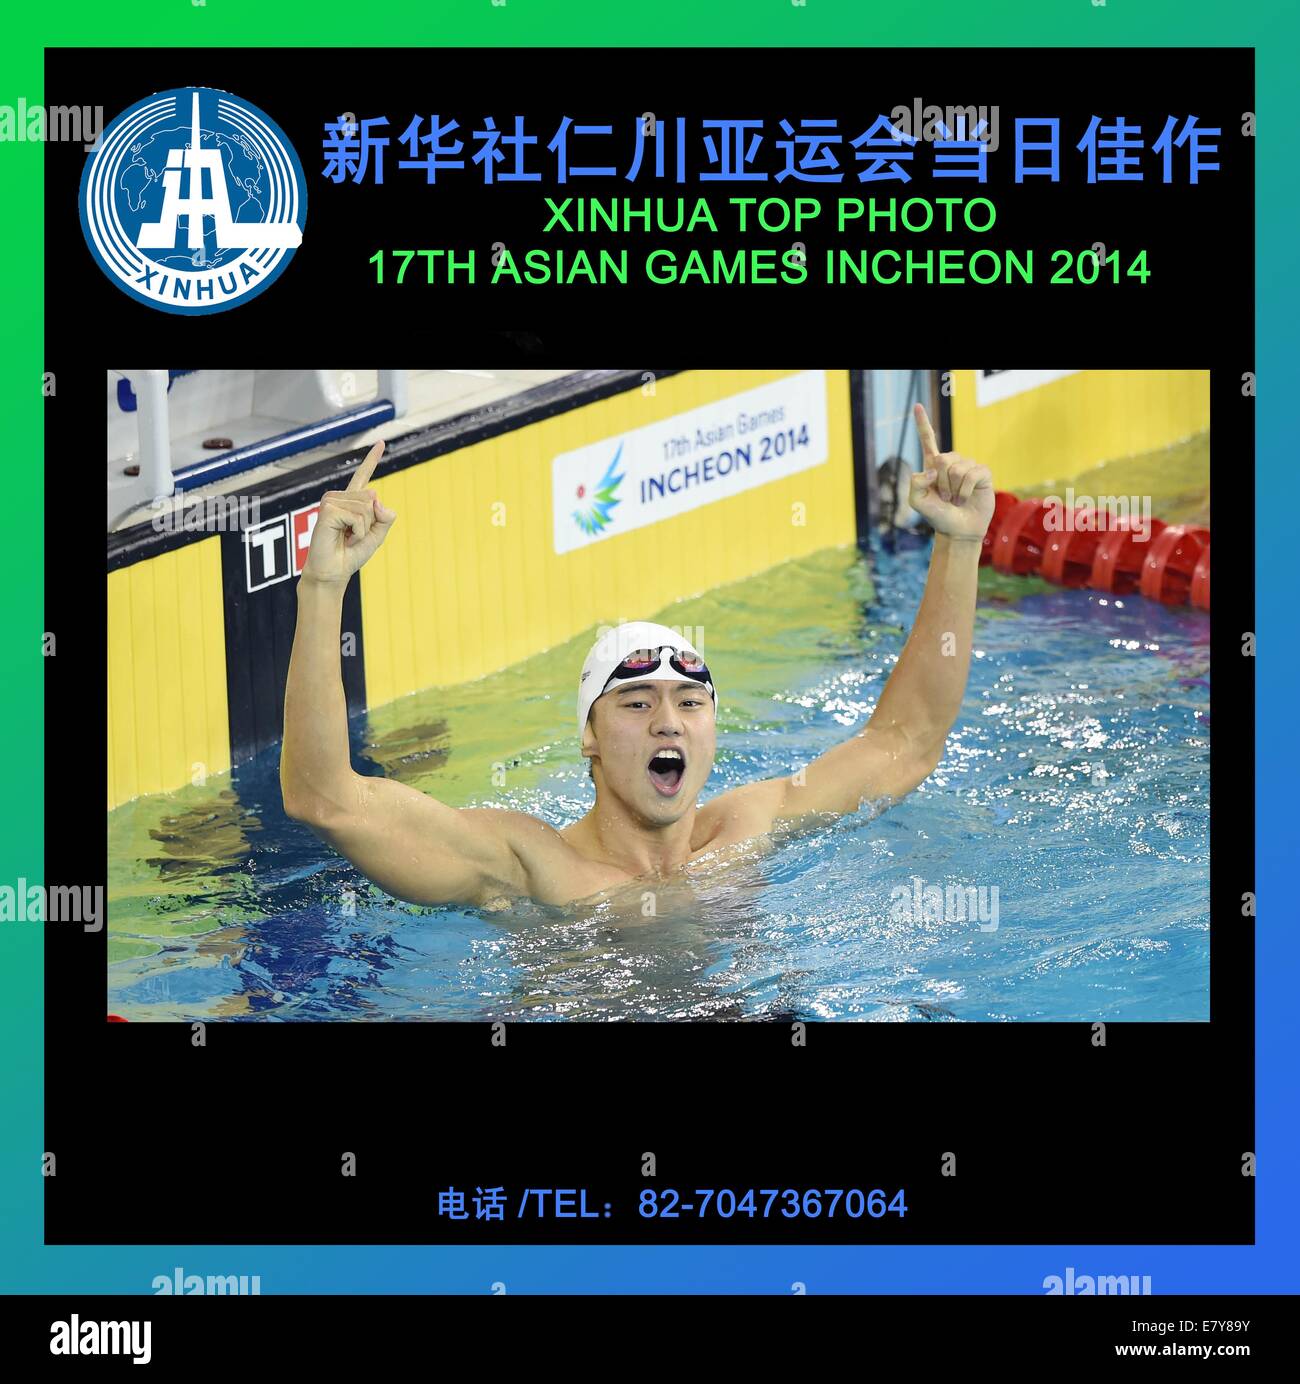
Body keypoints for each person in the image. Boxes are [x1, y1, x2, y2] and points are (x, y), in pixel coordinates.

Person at [280, 403, 995, 909]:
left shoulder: (750, 828)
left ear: (713, 729)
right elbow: (324, 798)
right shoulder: (529, 867)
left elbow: (909, 741)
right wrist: (323, 586)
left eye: (690, 702)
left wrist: (961, 543)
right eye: (636, 702)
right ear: (588, 736)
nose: (669, 721)